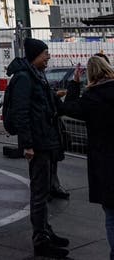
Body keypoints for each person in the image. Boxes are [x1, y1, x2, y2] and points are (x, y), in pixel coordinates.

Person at [7, 38, 69, 258]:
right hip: (39, 143)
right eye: (45, 53)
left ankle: (45, 232)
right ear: (35, 56)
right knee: (39, 192)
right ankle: (40, 239)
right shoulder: (25, 78)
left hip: (46, 140)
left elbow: (44, 105)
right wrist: (28, 144)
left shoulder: (36, 75)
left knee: (43, 192)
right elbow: (21, 112)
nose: (48, 56)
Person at [64, 55, 114, 259]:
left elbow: (68, 107)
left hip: (105, 162)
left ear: (90, 74)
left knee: (111, 214)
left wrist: (75, 83)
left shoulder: (90, 99)